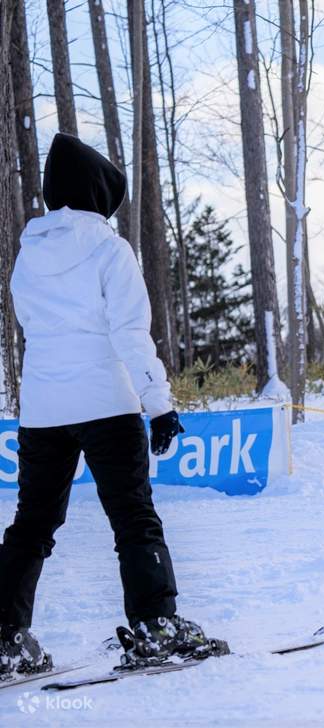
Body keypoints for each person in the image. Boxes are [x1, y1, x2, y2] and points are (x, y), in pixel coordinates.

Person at [0, 134, 226, 679]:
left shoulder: (27, 257)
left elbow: (33, 330)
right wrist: (159, 405)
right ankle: (155, 628)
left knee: (31, 523)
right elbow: (130, 334)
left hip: (43, 410)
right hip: (106, 403)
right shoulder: (108, 249)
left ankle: (4, 638)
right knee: (132, 517)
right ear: (97, 194)